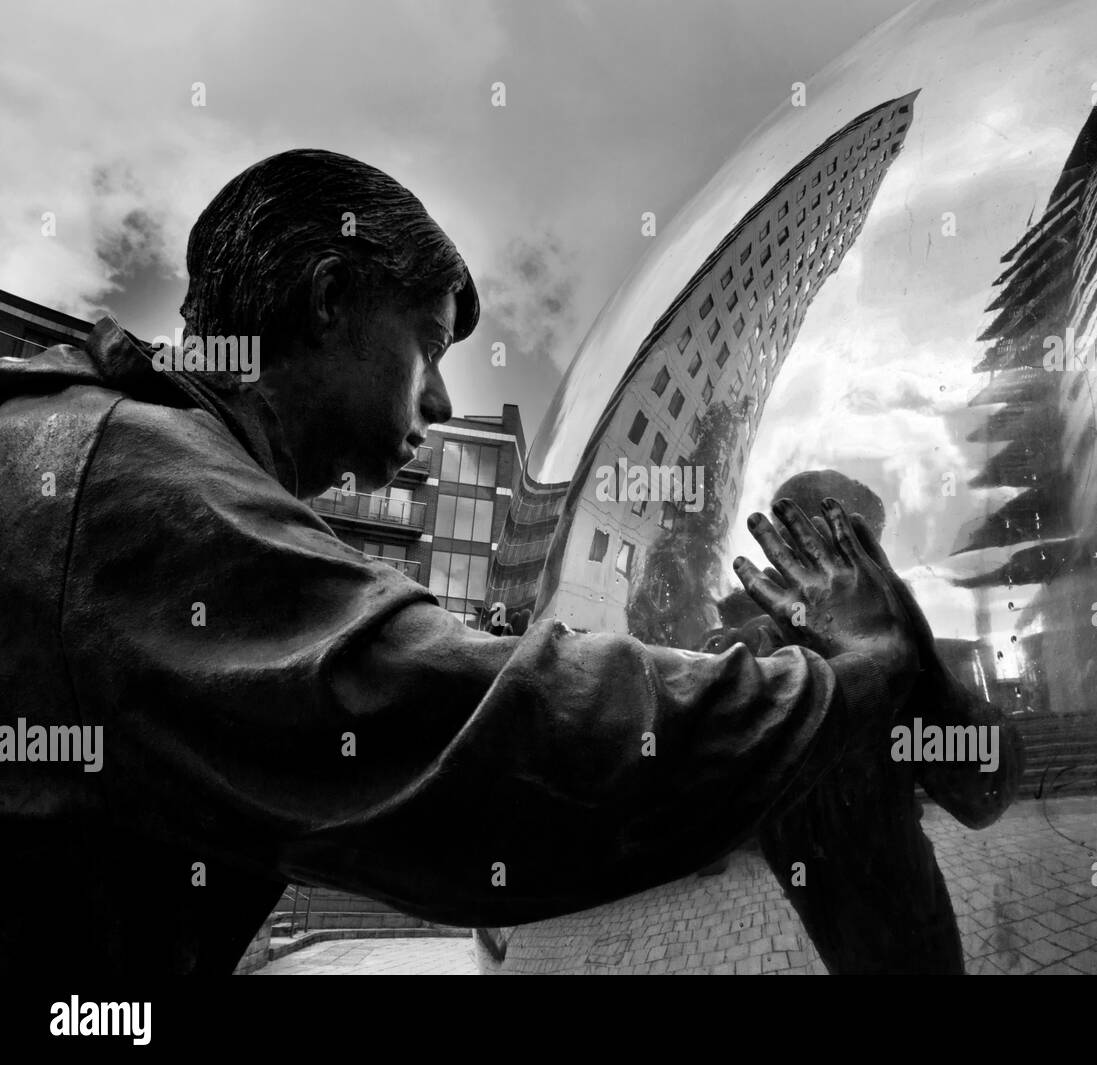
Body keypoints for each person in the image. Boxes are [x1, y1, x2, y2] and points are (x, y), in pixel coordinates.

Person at [0, 149, 921, 976]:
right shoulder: (145, 488)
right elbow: (492, 730)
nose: (439, 399)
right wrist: (856, 674)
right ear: (328, 301)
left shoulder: (119, 445)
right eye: (429, 345)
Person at [705, 470, 1023, 973]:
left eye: (872, 551)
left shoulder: (899, 652)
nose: (873, 572)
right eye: (854, 548)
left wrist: (922, 671)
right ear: (802, 551)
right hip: (827, 906)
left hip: (911, 913)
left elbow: (985, 793)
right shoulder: (748, 653)